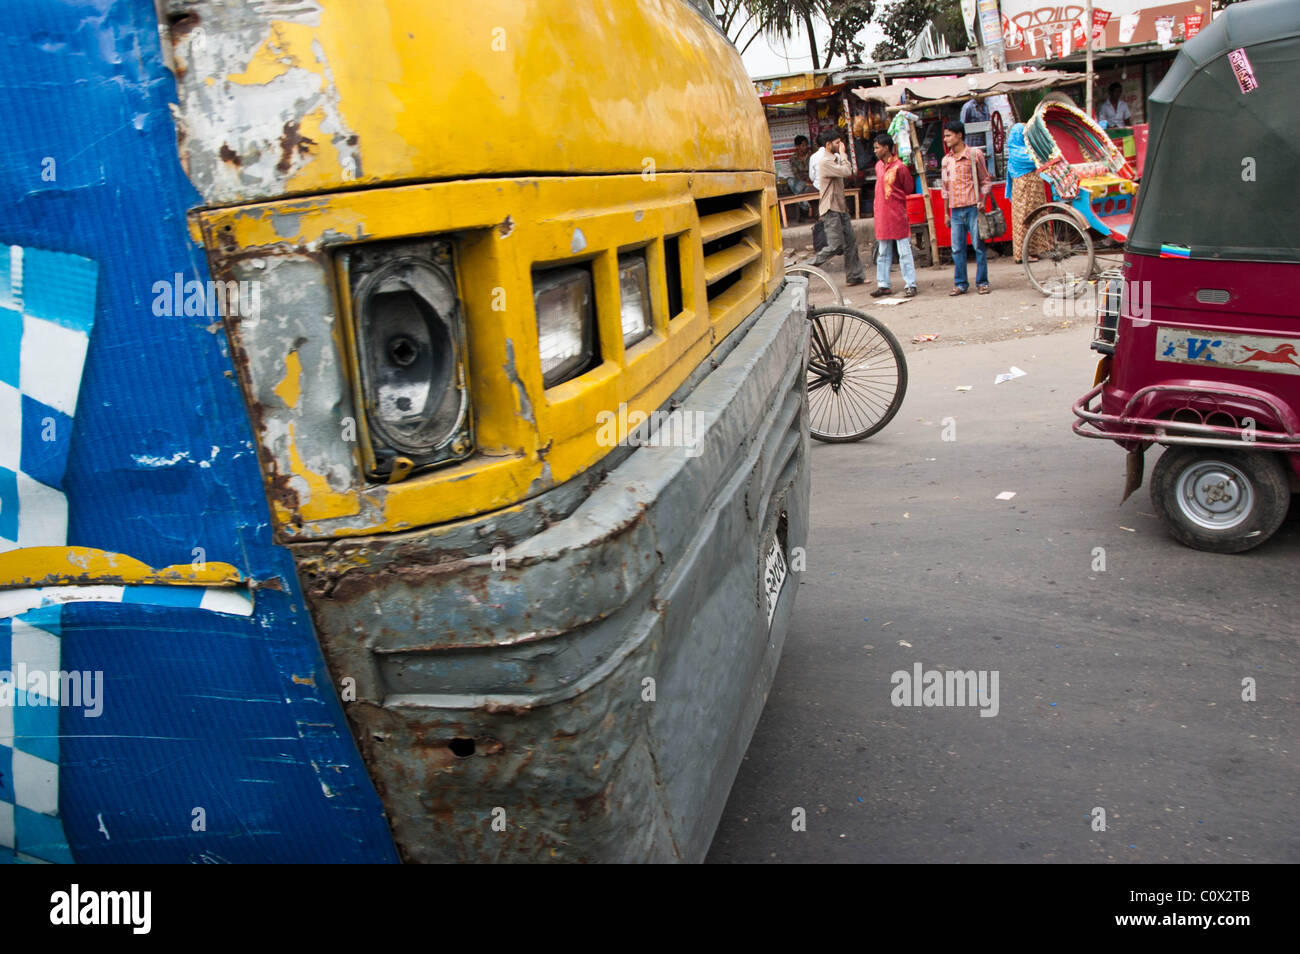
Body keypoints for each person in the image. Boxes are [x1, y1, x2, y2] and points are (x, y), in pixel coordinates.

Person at [939, 119, 992, 295]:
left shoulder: (974, 155)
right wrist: (946, 213)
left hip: (972, 208)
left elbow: (985, 180)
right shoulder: (946, 161)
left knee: (978, 246)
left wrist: (982, 200)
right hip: (955, 210)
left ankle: (982, 282)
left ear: (959, 135)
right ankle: (960, 283)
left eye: (948, 135)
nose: (946, 139)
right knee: (957, 249)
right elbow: (945, 189)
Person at [810, 127, 866, 286]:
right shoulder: (825, 162)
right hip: (831, 209)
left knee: (851, 243)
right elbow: (847, 171)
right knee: (835, 246)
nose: (840, 145)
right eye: (837, 142)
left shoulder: (833, 160)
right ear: (828, 145)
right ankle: (807, 267)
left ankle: (855, 276)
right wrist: (844, 154)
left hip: (840, 207)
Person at [870, 132, 917, 298]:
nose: (875, 150)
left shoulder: (900, 167)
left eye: (877, 147)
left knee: (904, 251)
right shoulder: (878, 166)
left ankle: (910, 284)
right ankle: (883, 284)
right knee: (882, 251)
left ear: (887, 148)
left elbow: (908, 187)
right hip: (882, 213)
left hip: (897, 213)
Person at [1005, 123, 1048, 265]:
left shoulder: (1024, 149)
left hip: (1033, 191)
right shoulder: (1018, 152)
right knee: (1024, 218)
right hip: (1024, 191)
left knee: (1036, 216)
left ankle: (1035, 250)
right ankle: (1022, 253)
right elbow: (1036, 159)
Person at [786, 134, 815, 222]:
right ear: (797, 146)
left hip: (813, 180)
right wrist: (806, 181)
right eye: (803, 145)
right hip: (802, 183)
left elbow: (815, 170)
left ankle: (806, 208)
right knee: (790, 181)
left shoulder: (812, 156)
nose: (805, 147)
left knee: (801, 190)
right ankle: (807, 206)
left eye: (806, 145)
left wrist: (811, 179)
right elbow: (796, 174)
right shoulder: (793, 159)